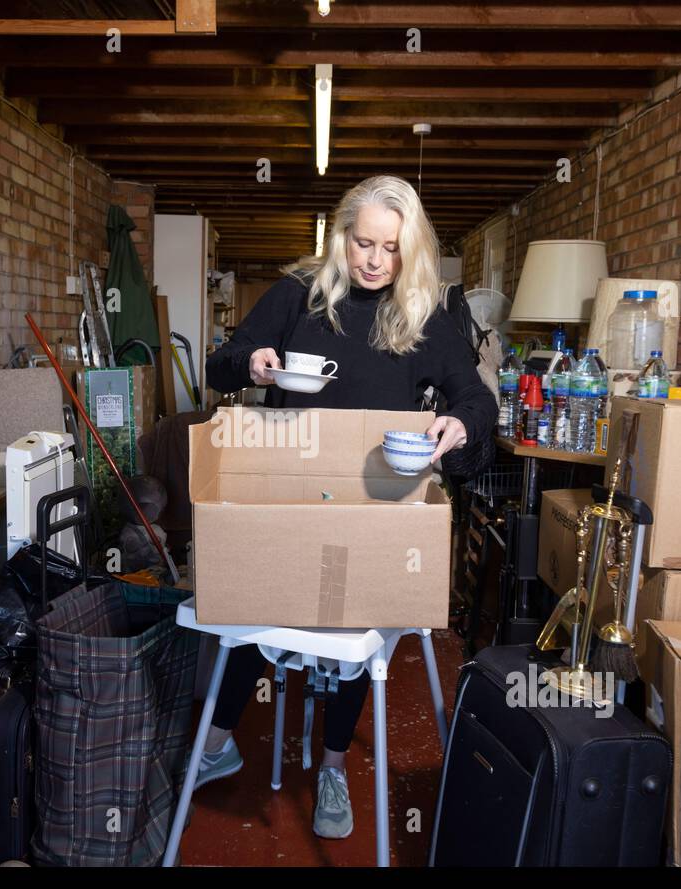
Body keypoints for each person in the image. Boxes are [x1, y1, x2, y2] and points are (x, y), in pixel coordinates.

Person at [200, 174, 497, 839]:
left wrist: (459, 426)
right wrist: (252, 365)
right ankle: (219, 741)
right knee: (254, 604)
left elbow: (476, 401)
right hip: (287, 495)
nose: (372, 261)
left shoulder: (425, 317)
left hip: (373, 504)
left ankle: (332, 765)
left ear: (409, 251)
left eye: (389, 249)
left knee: (353, 627)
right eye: (363, 243)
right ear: (342, 238)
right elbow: (221, 362)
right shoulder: (295, 297)